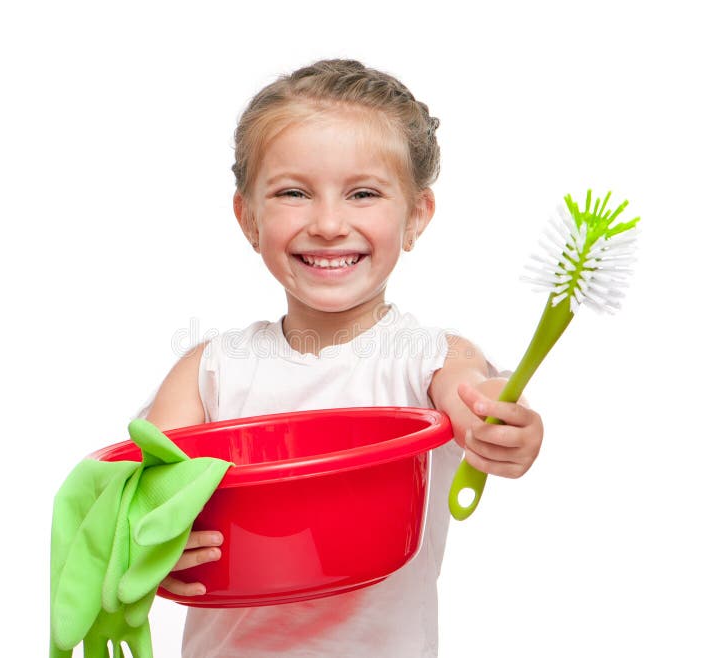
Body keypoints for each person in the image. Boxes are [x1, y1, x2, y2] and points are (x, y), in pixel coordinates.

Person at [144, 58, 544, 657]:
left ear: (415, 216)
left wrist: (502, 422)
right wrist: (151, 542)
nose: (329, 224)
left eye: (363, 194)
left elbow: (475, 396)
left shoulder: (429, 358)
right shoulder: (209, 373)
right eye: (293, 193)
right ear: (248, 218)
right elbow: (141, 491)